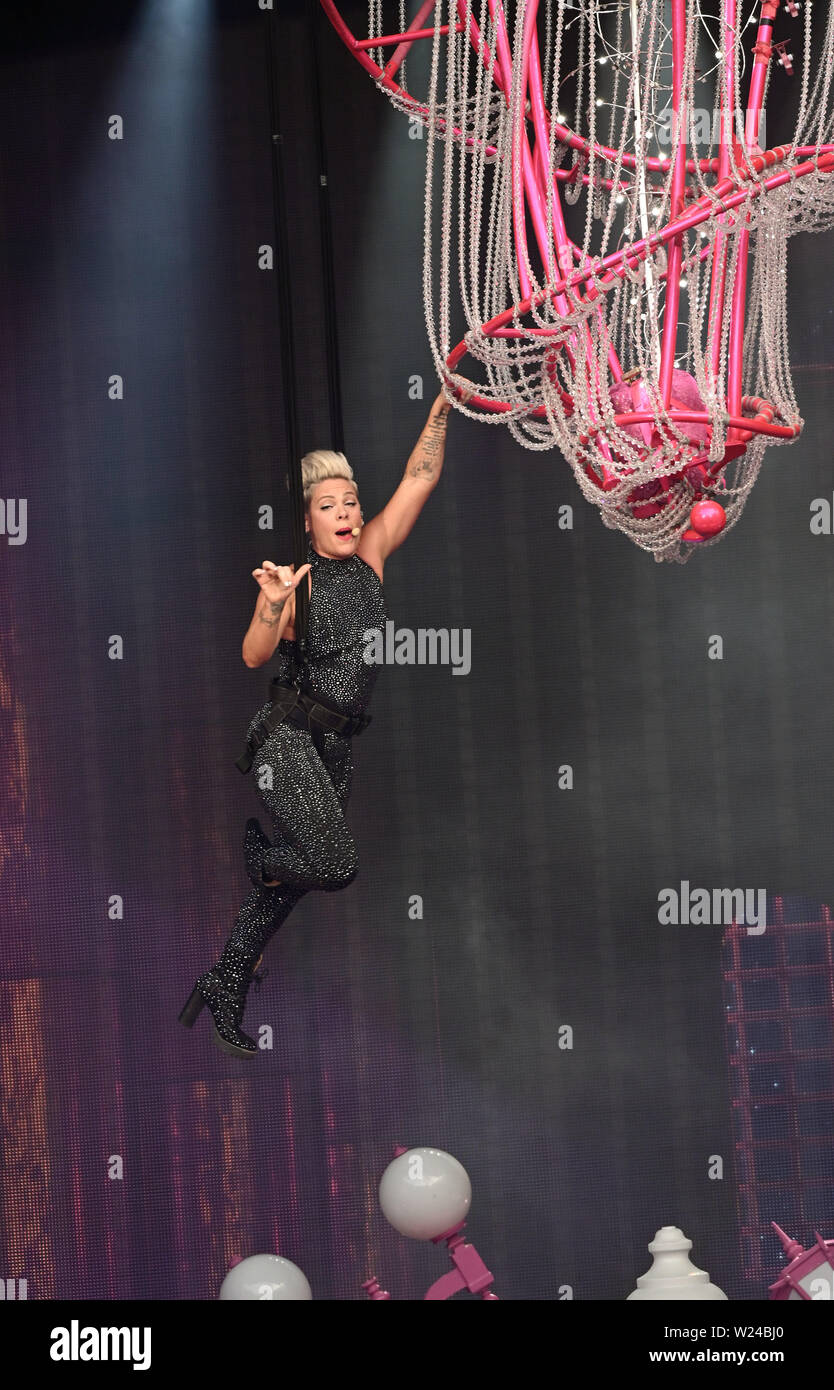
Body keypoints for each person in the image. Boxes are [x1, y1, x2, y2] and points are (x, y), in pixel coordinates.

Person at [179, 386, 467, 1057]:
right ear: (306, 521)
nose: (346, 512)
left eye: (351, 502)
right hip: (286, 740)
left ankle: (226, 980)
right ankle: (262, 862)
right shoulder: (297, 579)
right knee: (333, 865)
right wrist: (272, 604)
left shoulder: (371, 557)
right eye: (328, 506)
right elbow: (253, 654)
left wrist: (444, 403)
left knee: (294, 886)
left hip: (334, 751)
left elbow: (420, 474)